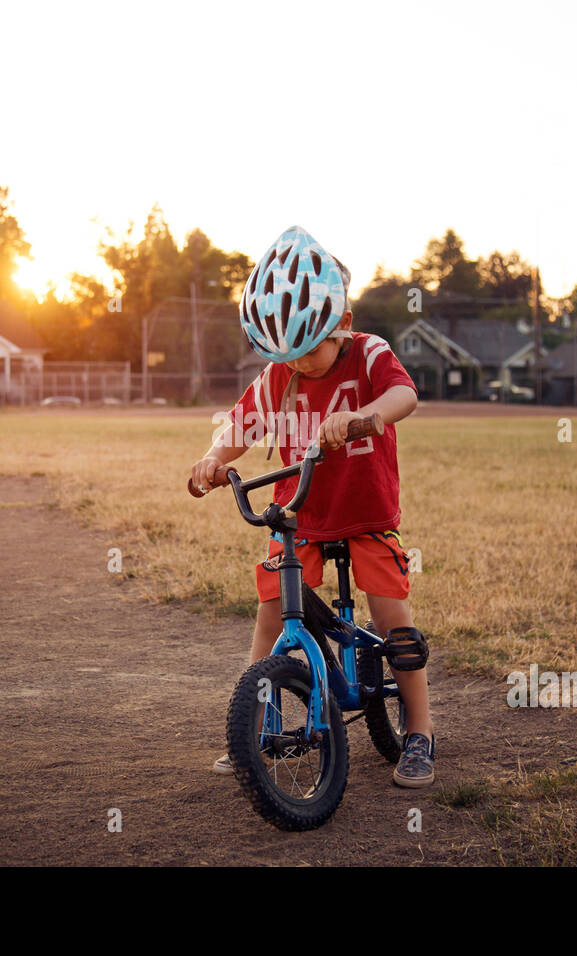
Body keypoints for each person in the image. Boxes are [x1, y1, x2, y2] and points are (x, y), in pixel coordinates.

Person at [189, 225, 435, 788]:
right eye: (286, 354)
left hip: (366, 513)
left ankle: (419, 730)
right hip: (299, 515)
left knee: (390, 616)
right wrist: (210, 459)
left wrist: (362, 416)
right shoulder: (279, 378)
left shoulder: (369, 353)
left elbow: (405, 396)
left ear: (342, 324)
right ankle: (259, 727)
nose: (298, 364)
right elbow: (239, 427)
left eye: (308, 350)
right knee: (271, 613)